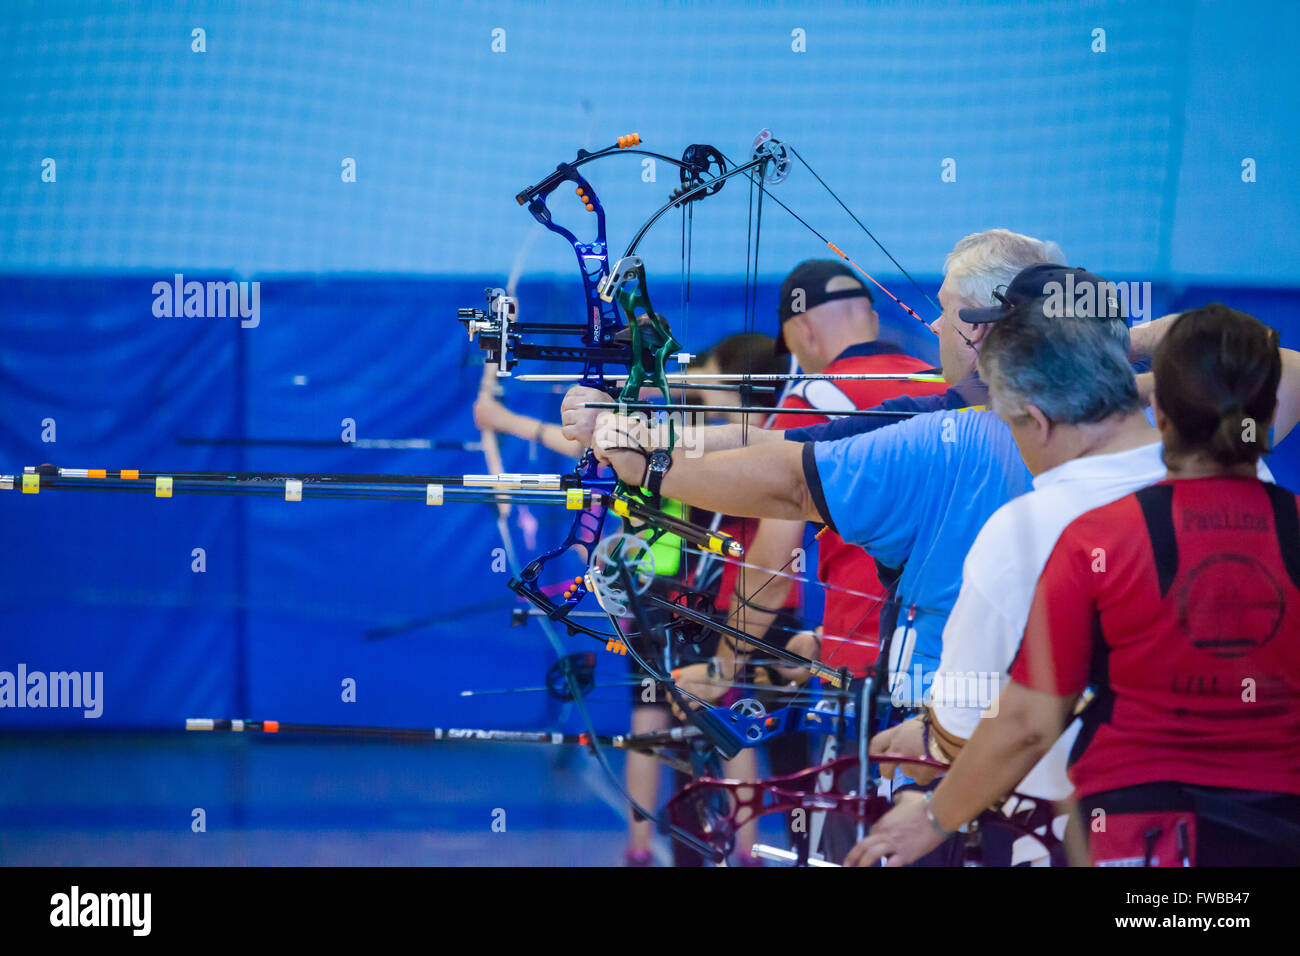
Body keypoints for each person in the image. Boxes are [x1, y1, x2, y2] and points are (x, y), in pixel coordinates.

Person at [847, 303, 1300, 867]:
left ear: (1156, 411)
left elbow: (1028, 723)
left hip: (1140, 841)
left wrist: (936, 816)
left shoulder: (1097, 539)